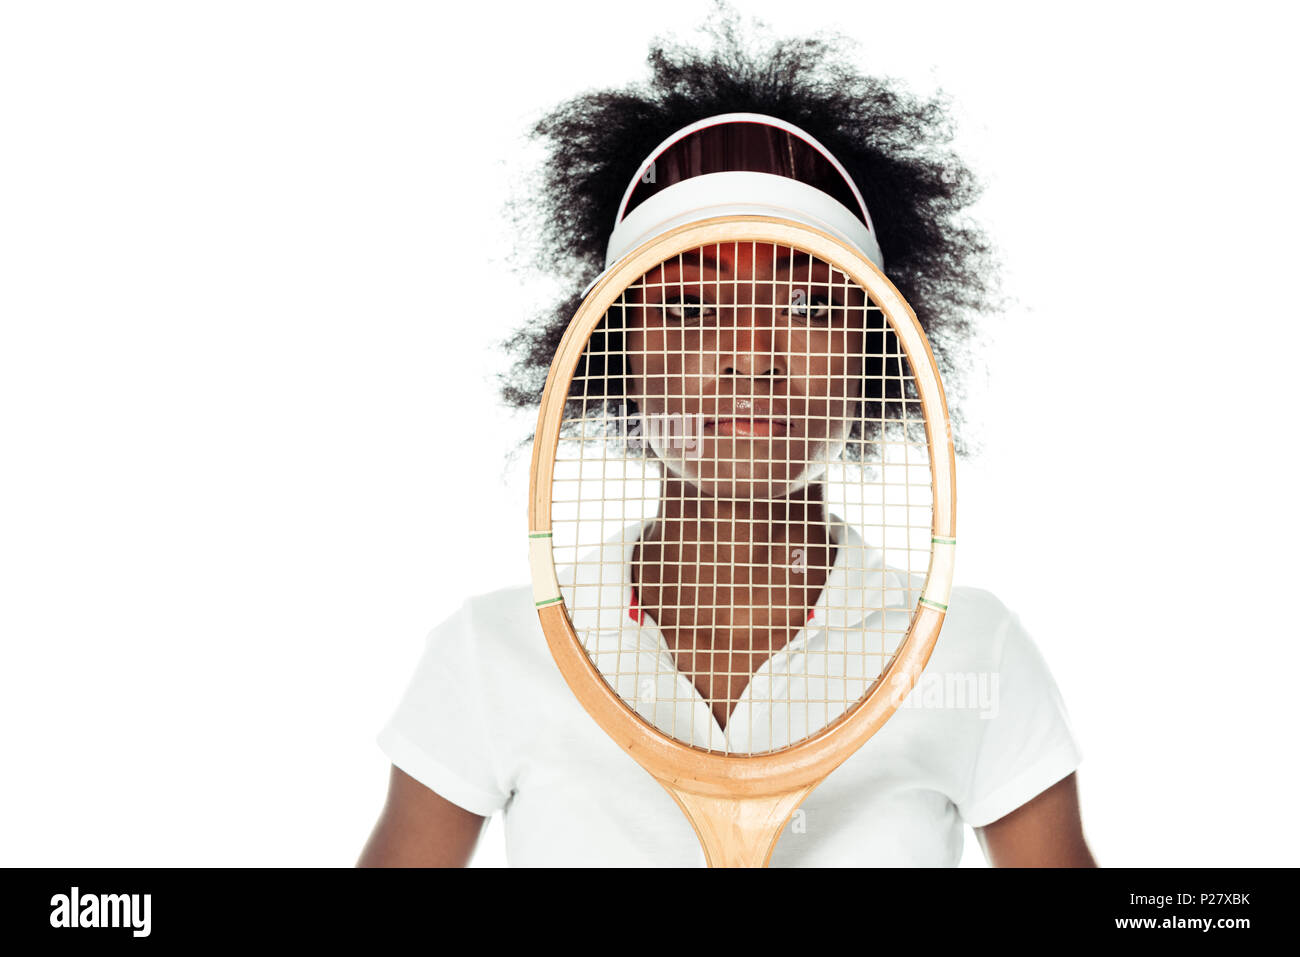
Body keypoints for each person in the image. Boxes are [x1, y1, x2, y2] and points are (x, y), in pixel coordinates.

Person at [358, 14, 1095, 868]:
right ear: (613, 345)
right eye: (690, 306)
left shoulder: (969, 650)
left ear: (876, 346)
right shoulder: (492, 653)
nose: (749, 356)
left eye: (809, 306)